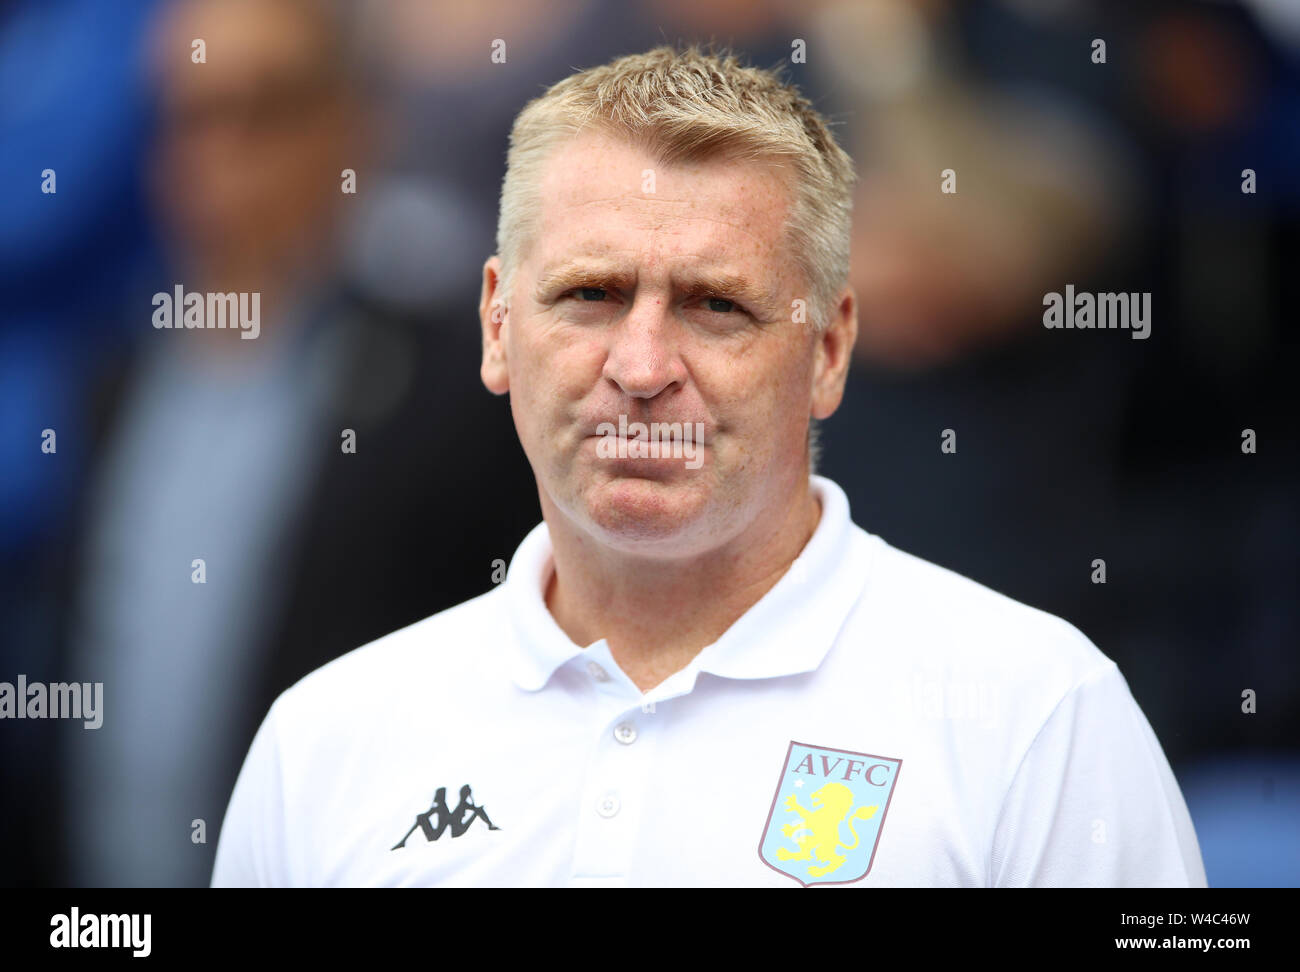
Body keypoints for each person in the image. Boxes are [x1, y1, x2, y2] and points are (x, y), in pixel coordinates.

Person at [213, 46, 1205, 887]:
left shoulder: (1037, 715)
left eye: (715, 305)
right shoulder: (325, 743)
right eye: (591, 294)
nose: (642, 368)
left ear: (827, 349)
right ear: (498, 323)